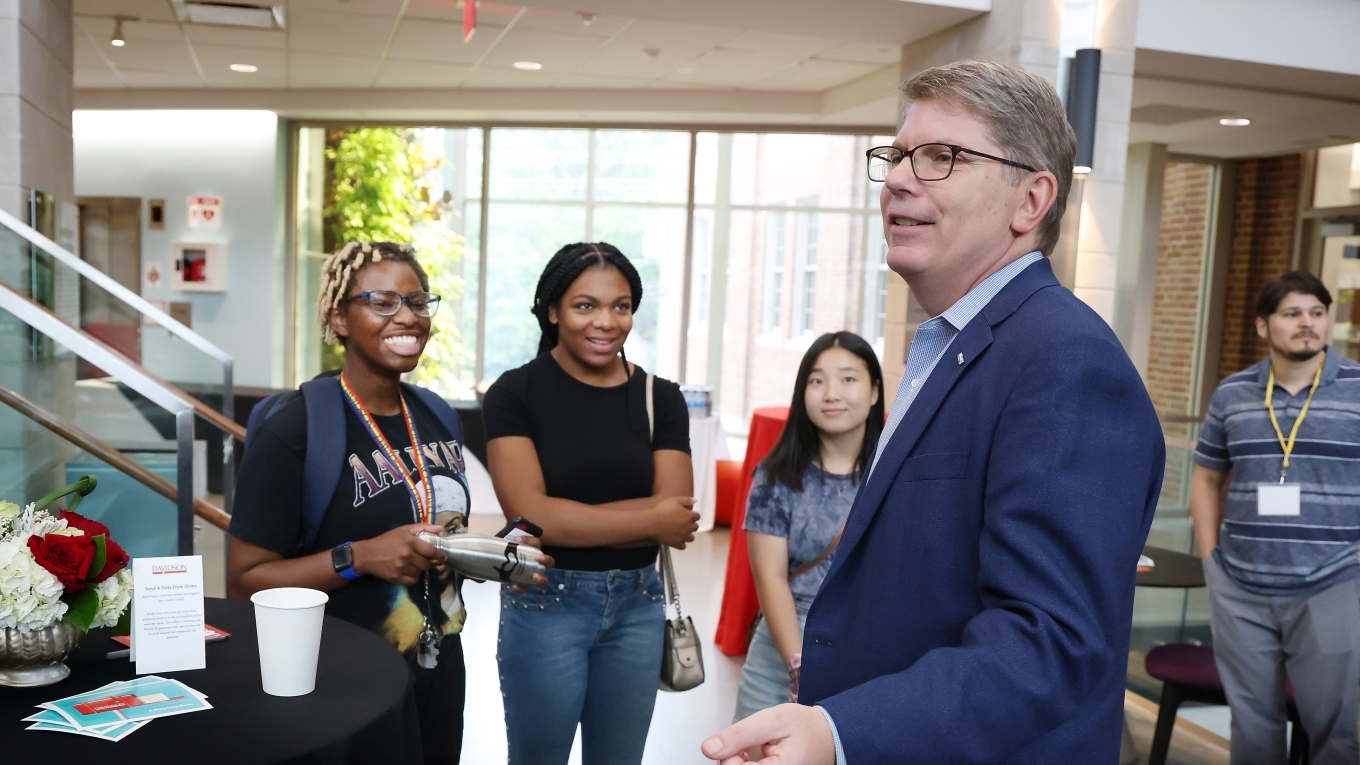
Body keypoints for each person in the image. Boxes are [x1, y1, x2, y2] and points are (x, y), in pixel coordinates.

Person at [702, 61, 1164, 764]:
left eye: (941, 157)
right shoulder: (958, 345)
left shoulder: (1065, 361)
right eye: (896, 156)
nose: (896, 179)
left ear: (1031, 198)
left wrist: (840, 732)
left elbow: (1048, 642)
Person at [228, 241, 548, 764]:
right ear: (339, 318)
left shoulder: (437, 415)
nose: (408, 316)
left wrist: (488, 555)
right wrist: (358, 557)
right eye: (382, 303)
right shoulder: (297, 427)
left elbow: (431, 535)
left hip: (439, 670)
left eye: (418, 302)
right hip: (342, 682)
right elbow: (244, 582)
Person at [483, 242, 700, 765]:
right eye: (586, 305)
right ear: (553, 310)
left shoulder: (660, 398)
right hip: (546, 602)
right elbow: (532, 515)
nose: (606, 321)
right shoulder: (514, 395)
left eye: (620, 306)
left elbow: (678, 512)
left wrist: (569, 517)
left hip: (637, 607)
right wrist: (649, 518)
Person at [1191, 271, 1360, 764]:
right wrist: (1211, 561)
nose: (1307, 323)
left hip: (1333, 583)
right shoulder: (1233, 394)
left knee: (1338, 729)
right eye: (1292, 314)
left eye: (1316, 312)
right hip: (1240, 586)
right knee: (1252, 725)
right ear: (1263, 327)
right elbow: (1205, 479)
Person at [734, 331, 883, 721]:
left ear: (873, 392)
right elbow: (771, 580)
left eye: (848, 379)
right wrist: (800, 665)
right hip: (785, 646)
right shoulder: (777, 475)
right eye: (817, 381)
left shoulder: (896, 475)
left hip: (869, 647)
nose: (832, 393)